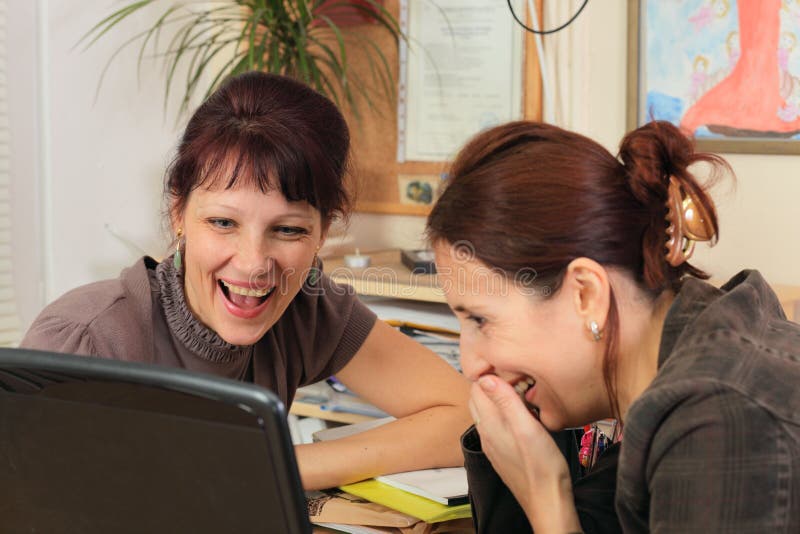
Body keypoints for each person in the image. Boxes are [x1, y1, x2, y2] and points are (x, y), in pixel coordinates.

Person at [21, 71, 472, 490]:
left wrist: (273, 466)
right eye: (222, 223)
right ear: (179, 213)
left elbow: (469, 420)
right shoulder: (86, 341)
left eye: (289, 230)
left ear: (323, 231)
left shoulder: (308, 310)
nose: (254, 264)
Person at [426, 120, 800, 532]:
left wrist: (547, 498)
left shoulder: (720, 421)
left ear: (586, 294)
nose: (470, 364)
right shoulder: (666, 372)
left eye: (481, 319)